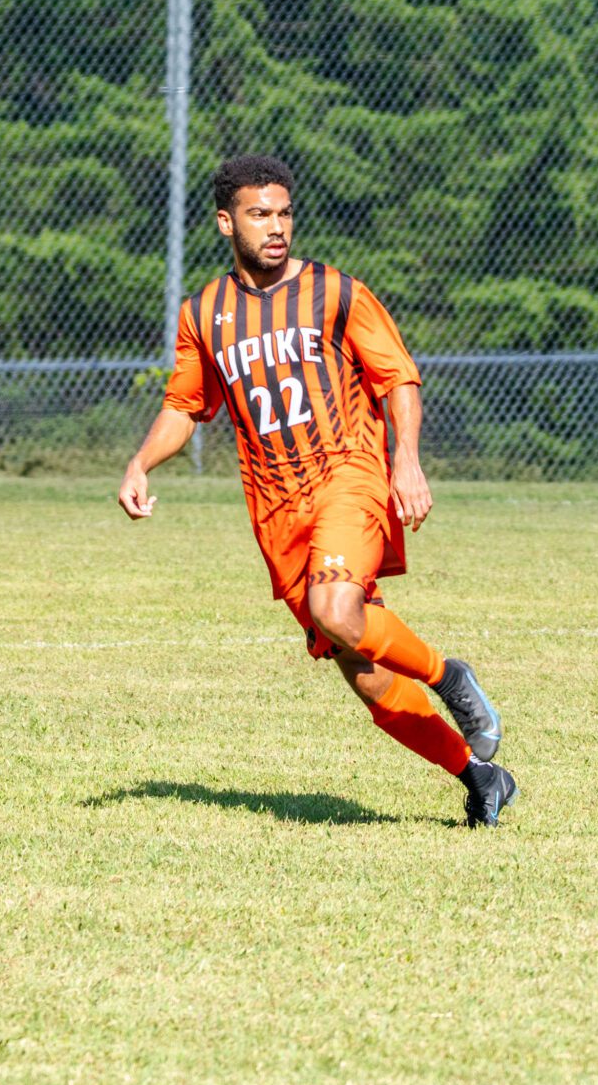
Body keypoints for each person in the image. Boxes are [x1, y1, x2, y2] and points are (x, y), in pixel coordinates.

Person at [117, 154, 517, 826]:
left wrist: (407, 460)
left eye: (284, 213)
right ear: (225, 223)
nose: (276, 227)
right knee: (363, 669)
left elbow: (398, 378)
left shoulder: (336, 292)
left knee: (335, 609)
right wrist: (140, 464)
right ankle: (479, 777)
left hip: (347, 475)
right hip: (277, 508)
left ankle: (450, 677)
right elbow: (184, 406)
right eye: (258, 214)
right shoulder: (203, 313)